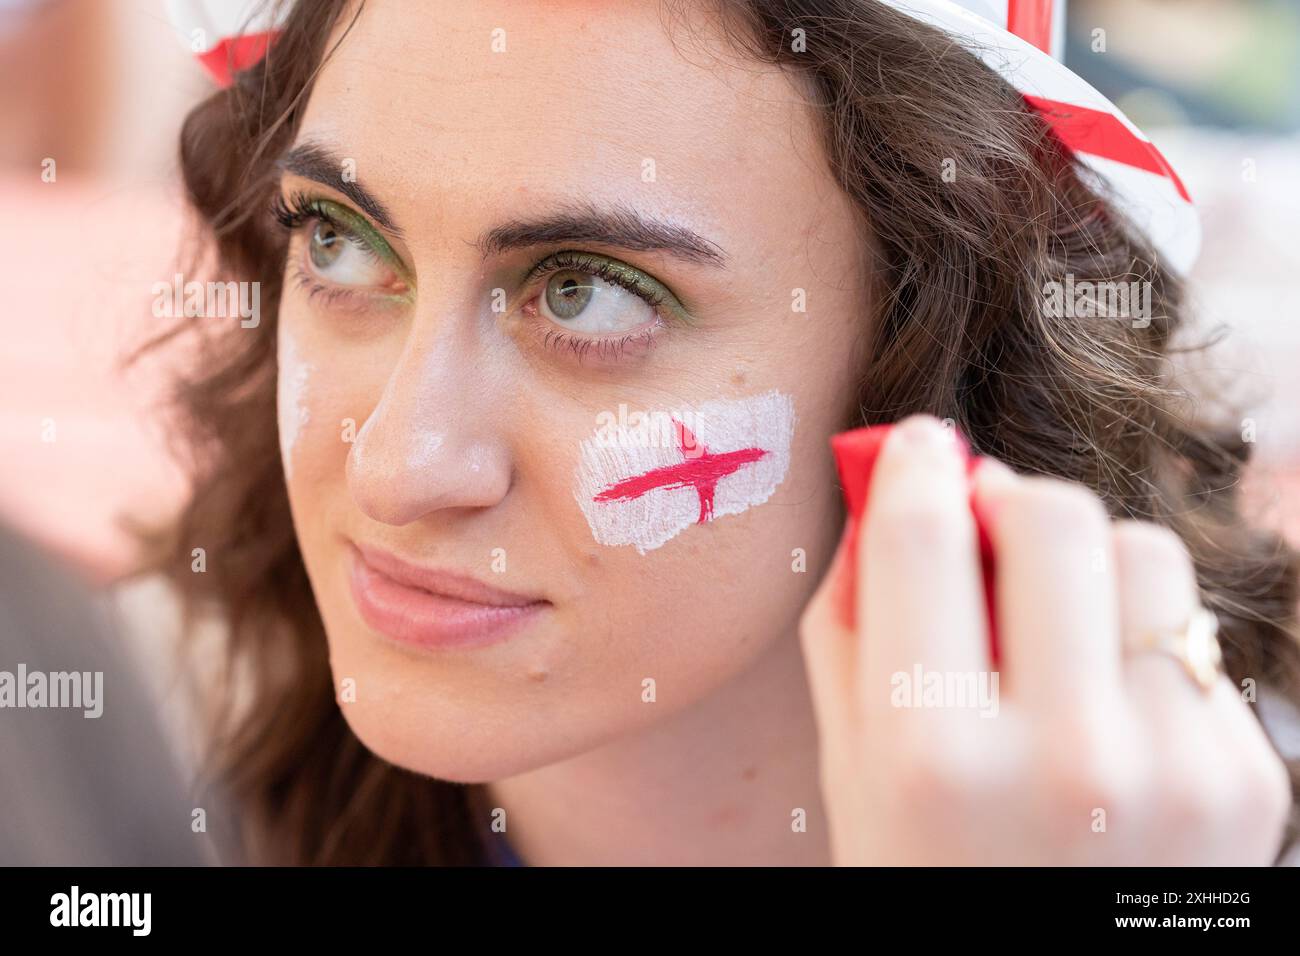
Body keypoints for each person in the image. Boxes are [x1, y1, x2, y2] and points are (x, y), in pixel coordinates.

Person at [134, 0, 1300, 865]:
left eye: (587, 292)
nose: (396, 469)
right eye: (337, 239)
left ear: (930, 361)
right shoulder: (139, 745)